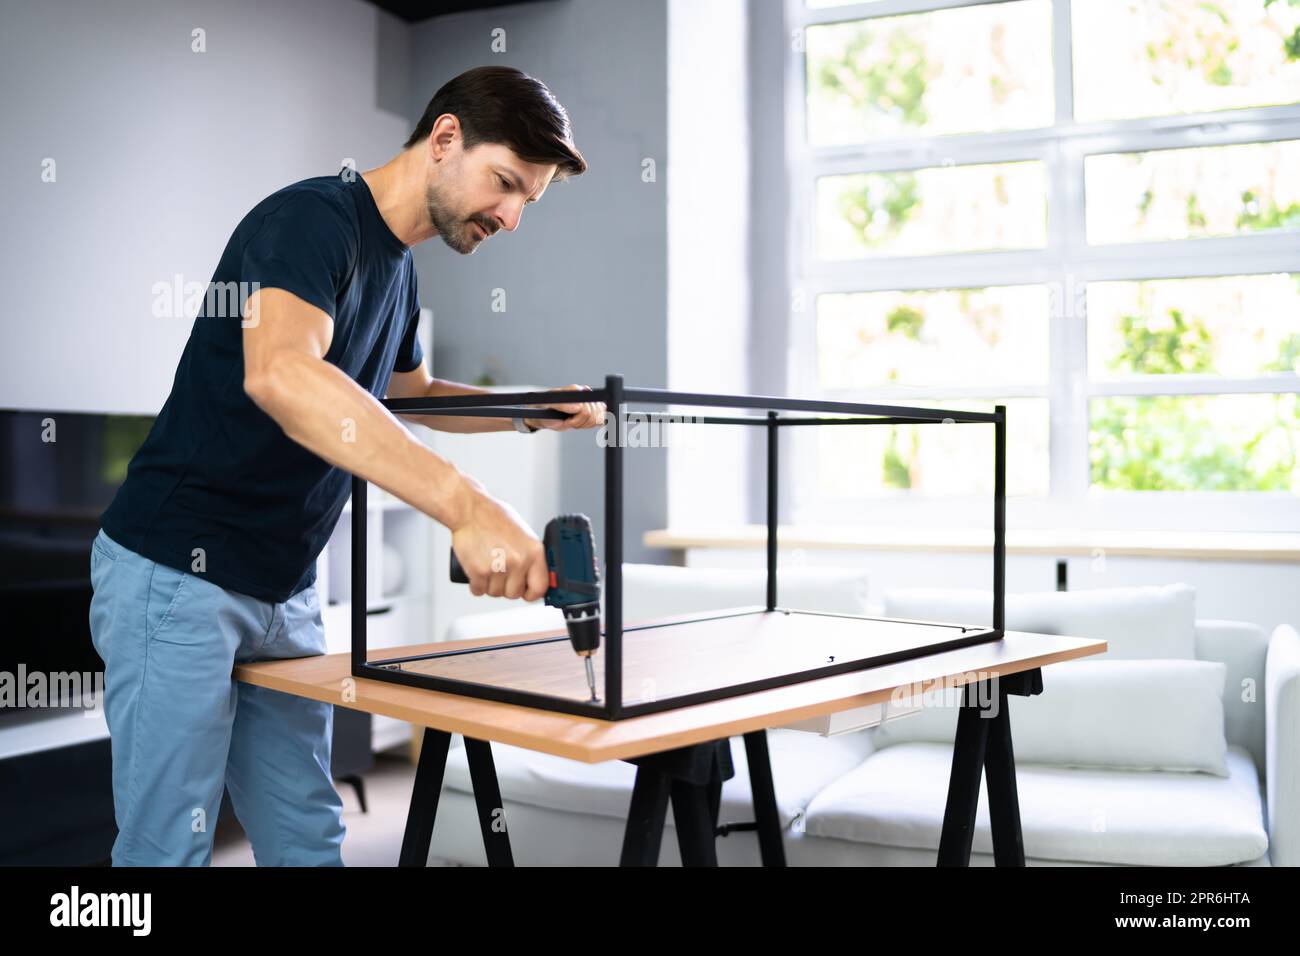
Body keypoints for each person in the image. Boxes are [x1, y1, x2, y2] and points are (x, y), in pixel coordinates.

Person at [89, 65, 600, 866]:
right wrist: (465, 508)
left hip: (284, 588)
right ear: (445, 138)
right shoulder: (308, 221)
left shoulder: (398, 270)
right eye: (506, 184)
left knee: (305, 830)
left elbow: (412, 393)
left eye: (526, 203)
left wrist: (531, 406)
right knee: (166, 845)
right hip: (175, 571)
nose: (510, 216)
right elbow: (281, 373)